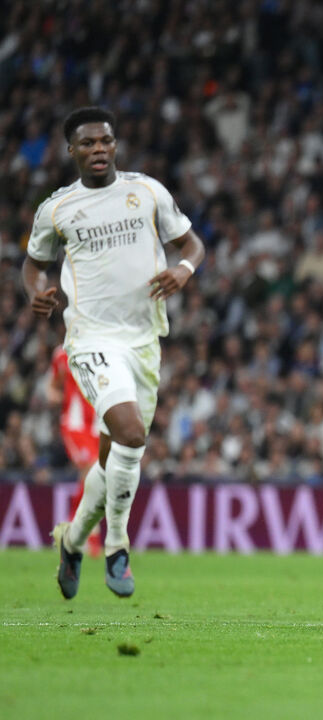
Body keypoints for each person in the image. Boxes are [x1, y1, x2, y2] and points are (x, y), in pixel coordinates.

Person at [26, 106, 206, 599]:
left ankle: (73, 540)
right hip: (91, 339)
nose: (98, 150)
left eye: (105, 141)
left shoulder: (146, 192)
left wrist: (184, 270)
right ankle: (118, 546)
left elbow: (192, 244)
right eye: (87, 144)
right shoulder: (57, 209)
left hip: (145, 339)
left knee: (115, 460)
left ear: (115, 144)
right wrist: (36, 291)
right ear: (71, 151)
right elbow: (34, 264)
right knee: (128, 432)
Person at [50, 346, 102, 557]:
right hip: (75, 425)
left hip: (98, 427)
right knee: (92, 470)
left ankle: (75, 532)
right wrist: (58, 399)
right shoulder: (62, 354)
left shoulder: (104, 351)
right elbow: (52, 387)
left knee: (96, 478)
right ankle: (85, 532)